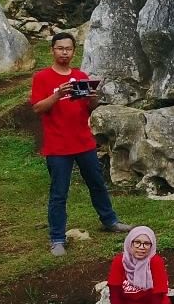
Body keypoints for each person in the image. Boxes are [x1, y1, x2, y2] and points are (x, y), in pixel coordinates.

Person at [30, 32, 130, 256]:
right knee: (59, 193)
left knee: (97, 184)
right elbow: (37, 108)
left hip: (84, 143)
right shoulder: (42, 77)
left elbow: (90, 108)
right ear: (52, 50)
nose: (64, 52)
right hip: (58, 146)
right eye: (60, 48)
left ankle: (110, 221)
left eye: (68, 49)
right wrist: (58, 94)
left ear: (74, 51)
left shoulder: (80, 76)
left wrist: (92, 97)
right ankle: (57, 238)